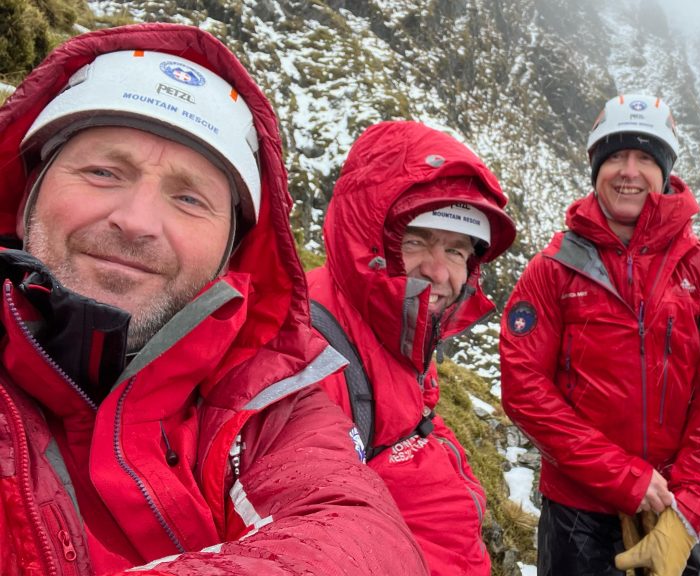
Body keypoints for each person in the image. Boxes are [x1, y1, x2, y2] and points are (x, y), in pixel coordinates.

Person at [0, 23, 427, 574]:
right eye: (103, 171)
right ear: (28, 192)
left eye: (188, 198)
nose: (136, 222)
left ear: (232, 250)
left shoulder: (269, 396)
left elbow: (357, 535)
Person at [499, 93, 700, 575]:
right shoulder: (553, 271)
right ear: (596, 168)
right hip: (577, 513)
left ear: (666, 171)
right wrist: (624, 477)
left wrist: (689, 509)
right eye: (614, 156)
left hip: (677, 508)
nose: (628, 171)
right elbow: (524, 388)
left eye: (645, 157)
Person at [306, 120, 517, 576]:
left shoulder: (398, 331)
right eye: (416, 241)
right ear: (370, 240)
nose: (438, 272)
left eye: (458, 251)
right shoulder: (310, 352)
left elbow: (410, 417)